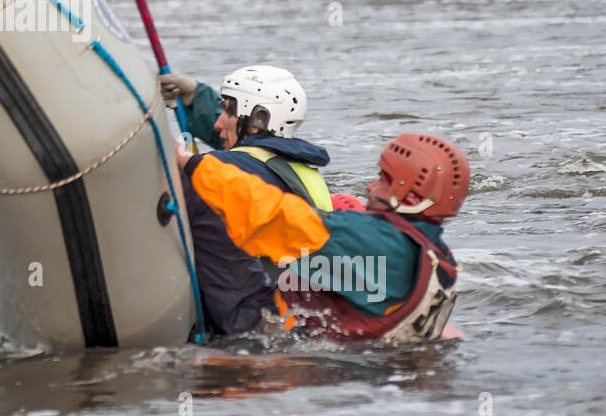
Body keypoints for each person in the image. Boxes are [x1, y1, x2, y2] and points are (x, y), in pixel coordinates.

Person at [178, 132, 466, 342]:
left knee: (201, 194)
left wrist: (192, 164)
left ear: (411, 196)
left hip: (278, 336)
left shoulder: (378, 242)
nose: (370, 186)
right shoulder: (439, 256)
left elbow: (275, 215)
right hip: (355, 357)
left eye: (382, 179)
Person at [160, 65, 333, 335]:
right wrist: (197, 99)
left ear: (260, 118)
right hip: (309, 303)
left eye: (228, 111)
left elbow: (224, 166)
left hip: (264, 311)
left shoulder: (231, 167)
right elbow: (247, 148)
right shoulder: (299, 165)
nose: (218, 123)